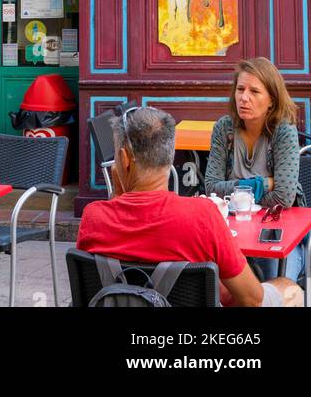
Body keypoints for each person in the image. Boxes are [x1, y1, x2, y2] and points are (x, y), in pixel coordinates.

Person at [77, 106, 302, 307]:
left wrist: (119, 192)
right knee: (290, 289)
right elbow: (252, 300)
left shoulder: (93, 218)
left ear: (124, 160)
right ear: (170, 154)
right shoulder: (202, 216)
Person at [205, 57, 306, 283]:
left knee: (273, 284)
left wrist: (234, 194)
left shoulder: (284, 132)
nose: (244, 97)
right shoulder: (224, 128)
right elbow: (211, 187)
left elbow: (284, 197)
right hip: (232, 235)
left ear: (271, 99)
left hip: (276, 232)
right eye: (240, 89)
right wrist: (264, 183)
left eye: (254, 91)